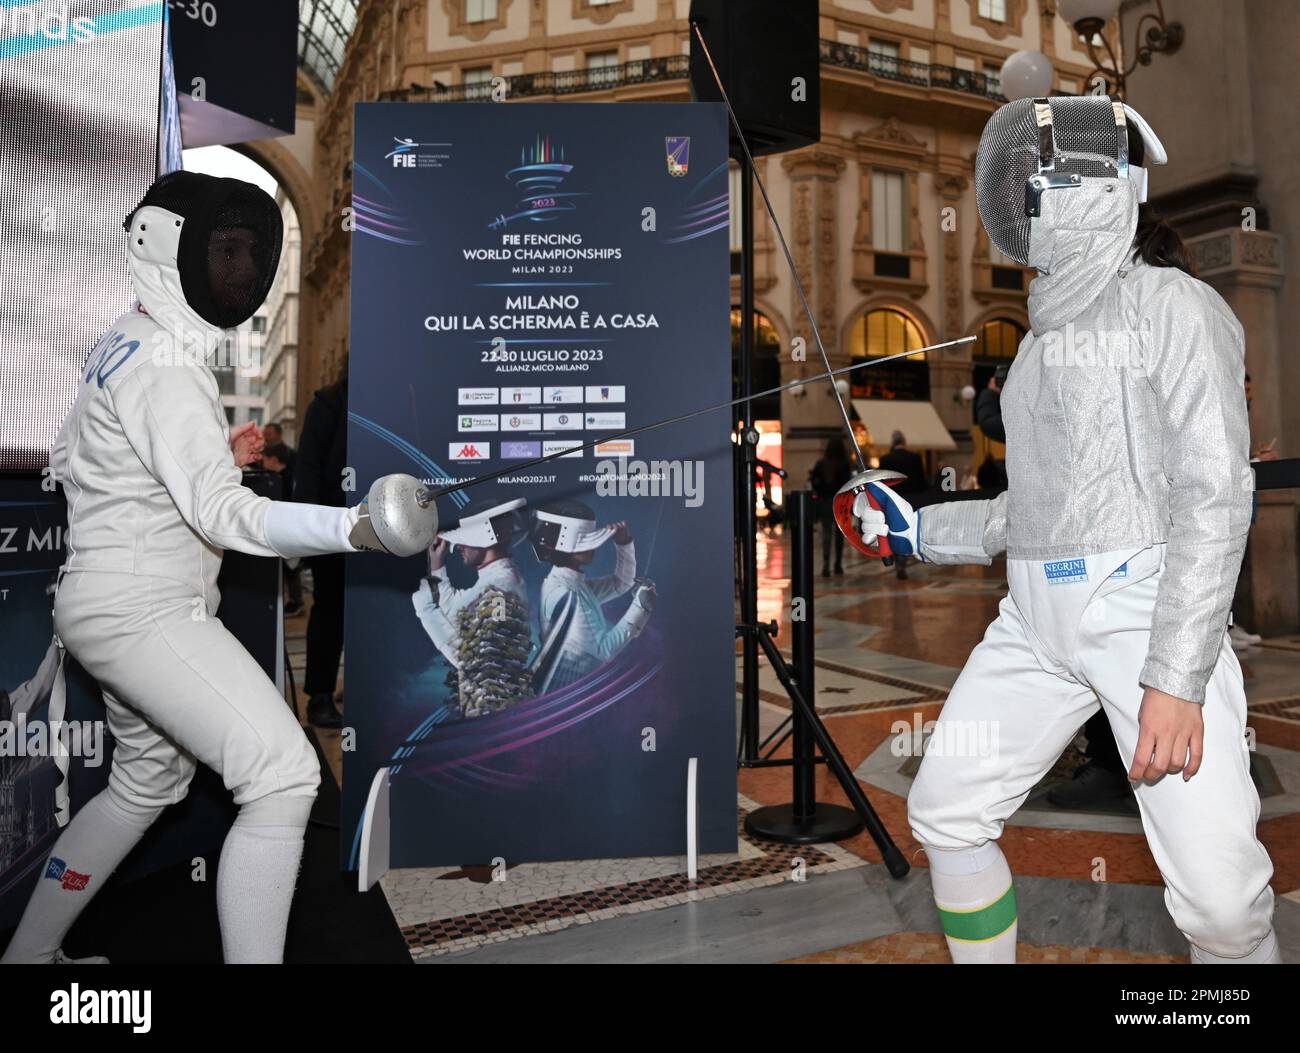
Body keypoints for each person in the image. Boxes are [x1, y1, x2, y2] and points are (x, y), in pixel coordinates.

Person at [852, 97, 1278, 964]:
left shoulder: (1176, 309)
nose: (1019, 204)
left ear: (1084, 181)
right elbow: (1025, 516)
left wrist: (1176, 676)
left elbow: (1213, 493)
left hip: (1146, 615)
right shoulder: (1040, 348)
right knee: (945, 809)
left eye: (1032, 180)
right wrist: (915, 529)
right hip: (1032, 624)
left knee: (1226, 909)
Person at [0, 171, 432, 965]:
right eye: (224, 249)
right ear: (167, 250)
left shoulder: (126, 340)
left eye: (246, 252)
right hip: (143, 611)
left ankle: (27, 957)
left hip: (107, 601)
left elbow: (80, 460)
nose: (239, 268)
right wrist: (357, 526)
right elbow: (221, 515)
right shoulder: (163, 362)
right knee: (282, 775)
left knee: (145, 784)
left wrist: (204, 457)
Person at [531, 501, 655, 692]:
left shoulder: (567, 584)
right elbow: (604, 651)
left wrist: (623, 544)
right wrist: (641, 608)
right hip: (564, 696)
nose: (594, 547)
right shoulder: (566, 593)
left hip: (571, 692)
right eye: (586, 541)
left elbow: (621, 584)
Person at [293, 363, 350, 728]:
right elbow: (309, 467)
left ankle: (360, 685)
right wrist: (310, 527)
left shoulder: (395, 396)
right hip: (334, 525)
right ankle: (320, 696)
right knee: (330, 610)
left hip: (386, 522)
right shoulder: (328, 403)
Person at [412, 497, 529, 670]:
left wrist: (426, 611)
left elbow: (481, 663)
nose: (459, 546)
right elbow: (453, 610)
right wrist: (437, 566)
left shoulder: (499, 586)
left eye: (465, 538)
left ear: (483, 537)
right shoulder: (498, 578)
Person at [260, 442, 304, 614]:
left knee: (292, 569)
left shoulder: (285, 480)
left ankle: (296, 601)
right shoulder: (290, 475)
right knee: (290, 569)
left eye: (264, 459)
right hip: (288, 532)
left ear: (273, 460)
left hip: (290, 533)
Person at [878, 432, 927, 579]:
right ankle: (903, 560)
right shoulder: (915, 458)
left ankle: (899, 561)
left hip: (892, 499)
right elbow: (921, 480)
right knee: (907, 528)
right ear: (904, 441)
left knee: (893, 529)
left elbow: (882, 482)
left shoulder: (886, 459)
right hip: (911, 499)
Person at [808, 438, 852, 576]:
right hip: (840, 503)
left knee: (826, 534)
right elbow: (848, 485)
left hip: (825, 503)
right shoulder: (844, 465)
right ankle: (838, 563)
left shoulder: (821, 464)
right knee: (839, 535)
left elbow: (814, 483)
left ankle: (826, 563)